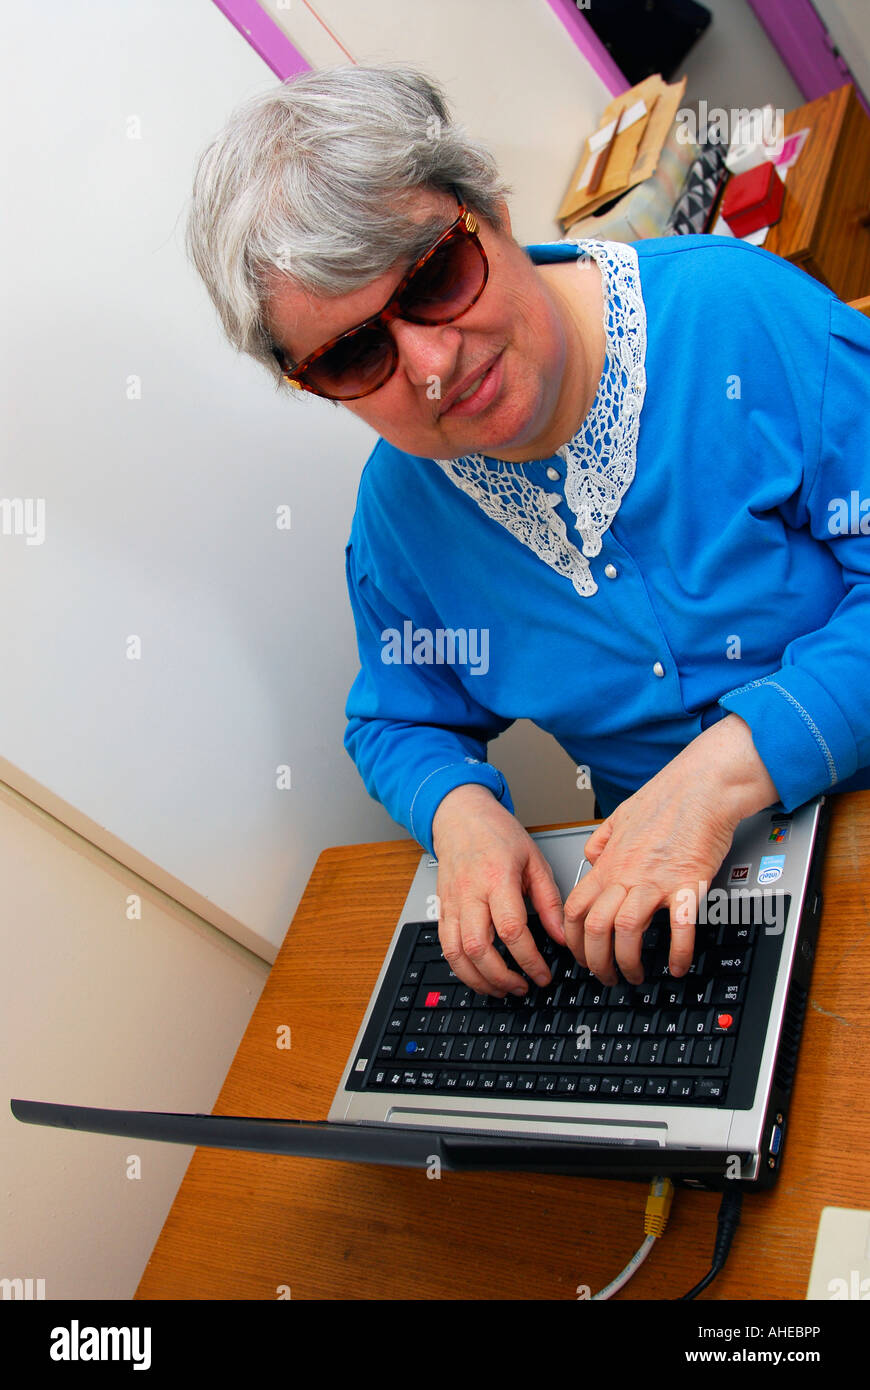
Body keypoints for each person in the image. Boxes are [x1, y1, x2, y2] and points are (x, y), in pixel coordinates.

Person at [185, 63, 870, 1001]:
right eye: (353, 353)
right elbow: (397, 715)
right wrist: (459, 812)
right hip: (686, 917)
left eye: (435, 276)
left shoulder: (738, 316)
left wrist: (721, 773)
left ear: (494, 214)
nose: (429, 366)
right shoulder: (402, 515)